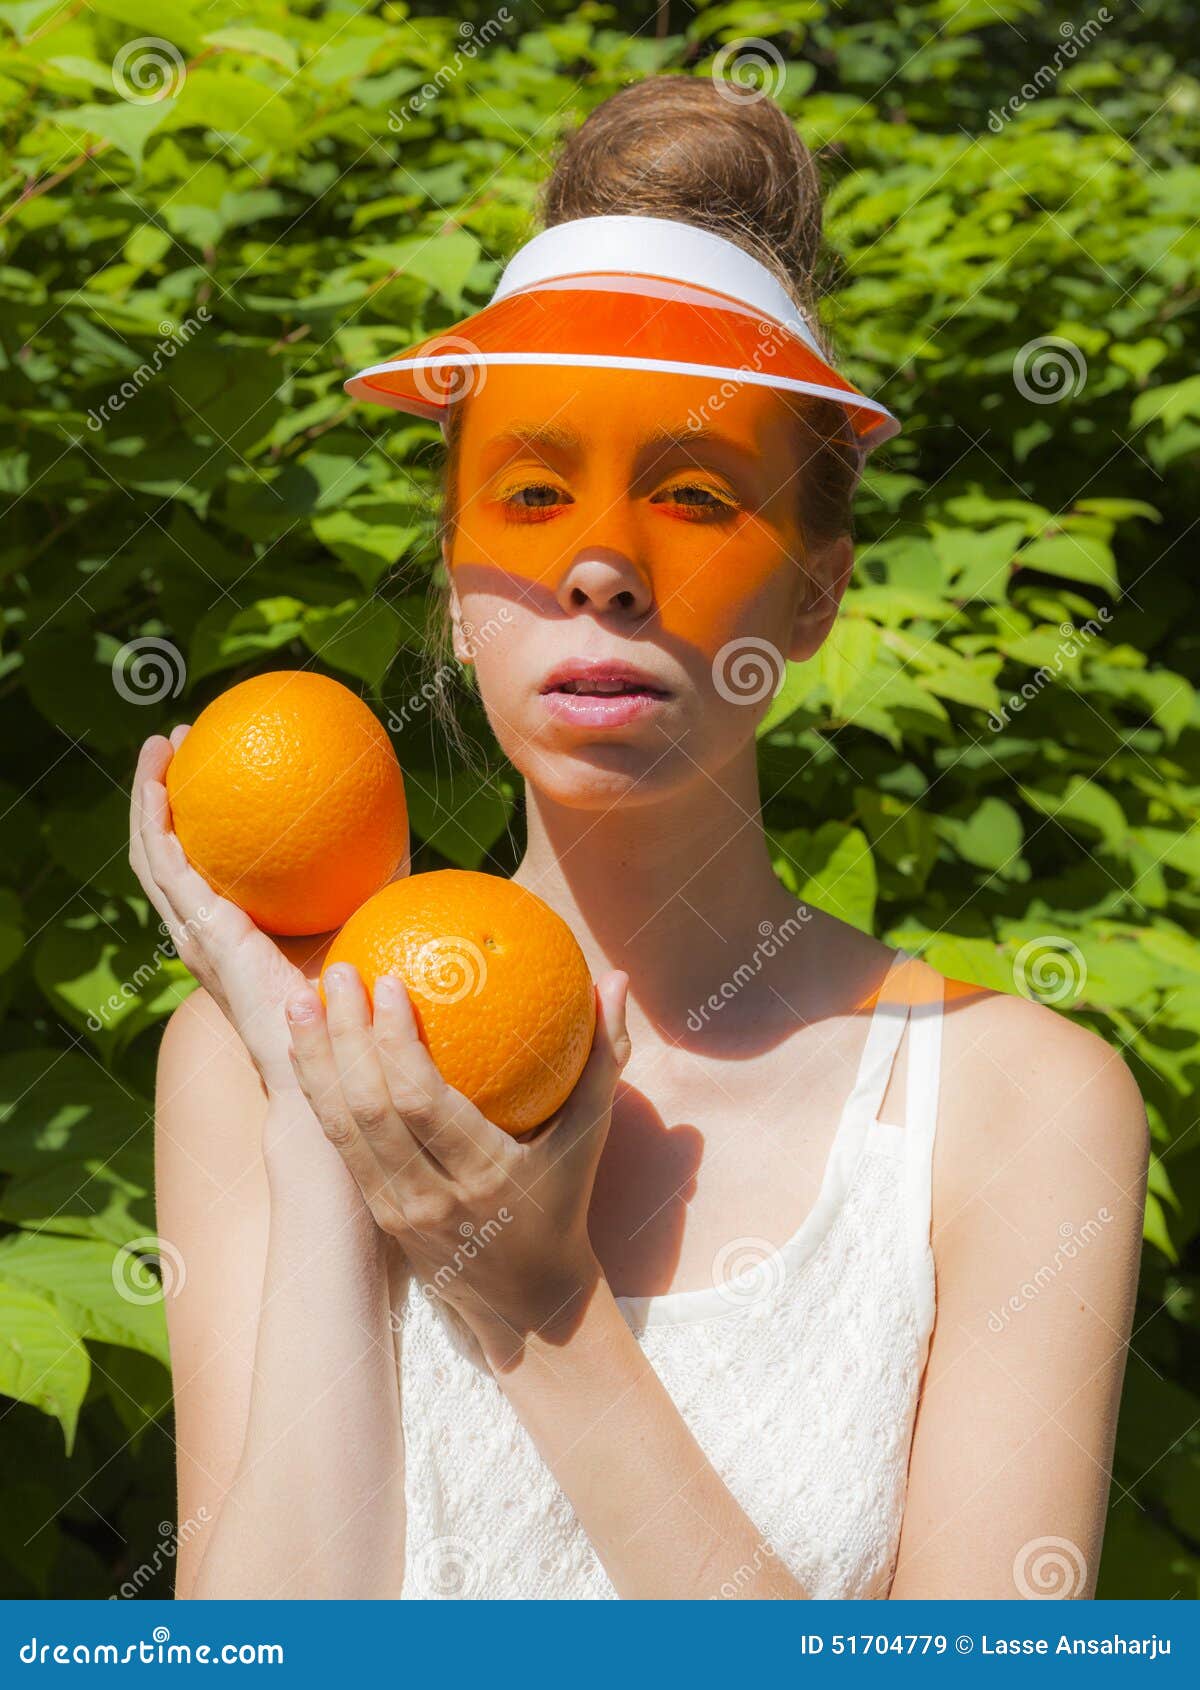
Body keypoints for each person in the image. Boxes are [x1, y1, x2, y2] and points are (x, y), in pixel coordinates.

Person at [131, 77, 1148, 1601]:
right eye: (531, 493)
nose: (601, 565)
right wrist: (313, 1107)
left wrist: (544, 1311)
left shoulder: (1016, 1112)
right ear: (461, 585)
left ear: (815, 589)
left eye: (692, 494)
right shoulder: (248, 1057)